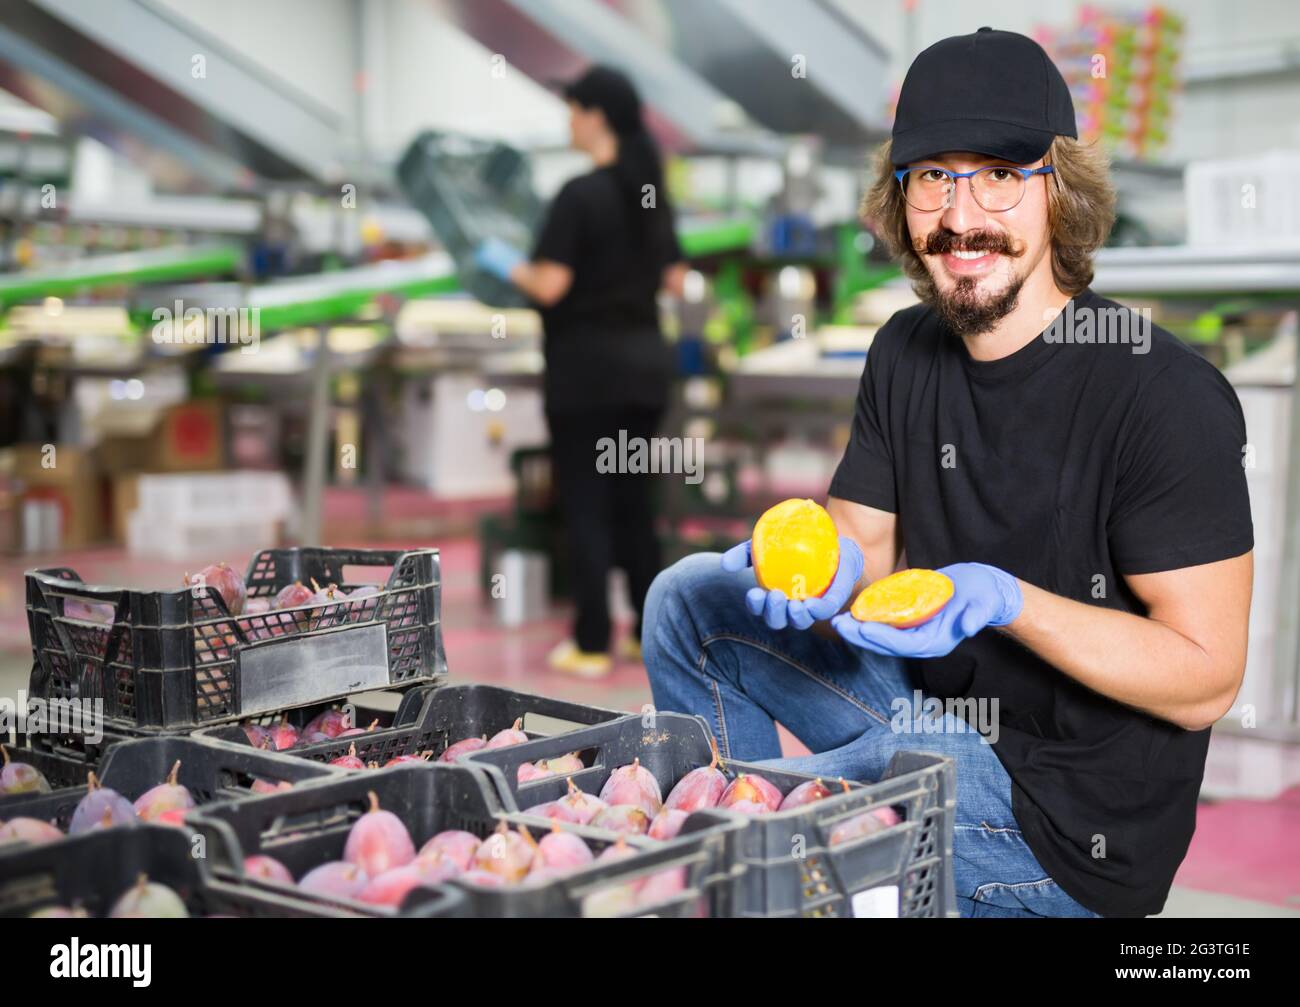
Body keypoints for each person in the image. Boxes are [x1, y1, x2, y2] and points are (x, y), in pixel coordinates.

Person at [642, 28, 1254, 918]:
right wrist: (824, 570)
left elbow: (1206, 680)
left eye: (999, 174)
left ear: (1059, 188)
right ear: (901, 196)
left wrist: (1009, 600)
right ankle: (764, 864)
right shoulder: (905, 349)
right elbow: (862, 541)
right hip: (927, 715)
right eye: (933, 176)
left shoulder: (1163, 393)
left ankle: (744, 867)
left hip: (1066, 819)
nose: (961, 217)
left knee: (761, 814)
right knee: (689, 599)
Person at [476, 66, 686, 678]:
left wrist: (500, 259)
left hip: (587, 375)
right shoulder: (649, 191)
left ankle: (592, 640)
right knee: (632, 503)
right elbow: (674, 278)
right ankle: (650, 634)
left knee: (587, 505)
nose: (567, 121)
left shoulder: (580, 194)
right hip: (645, 370)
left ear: (595, 116)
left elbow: (550, 283)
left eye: (571, 110)